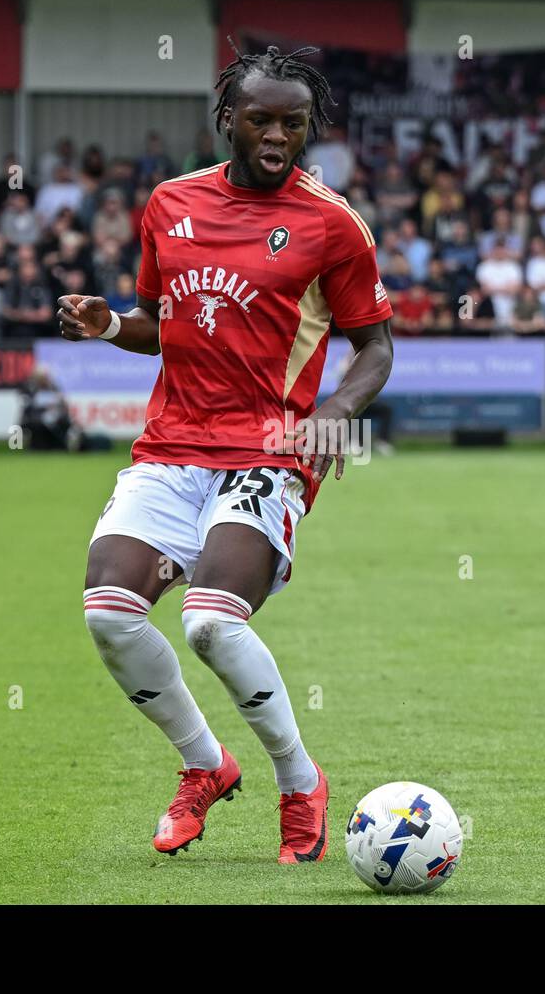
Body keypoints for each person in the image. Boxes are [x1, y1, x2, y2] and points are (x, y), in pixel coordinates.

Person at [57, 43, 393, 865]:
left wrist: (338, 411)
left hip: (271, 451)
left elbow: (376, 346)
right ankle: (205, 766)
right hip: (172, 448)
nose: (278, 136)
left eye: (294, 123)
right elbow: (162, 328)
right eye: (261, 120)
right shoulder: (170, 205)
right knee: (108, 612)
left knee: (208, 621)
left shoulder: (332, 223)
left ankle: (298, 780)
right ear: (227, 122)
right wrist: (108, 326)